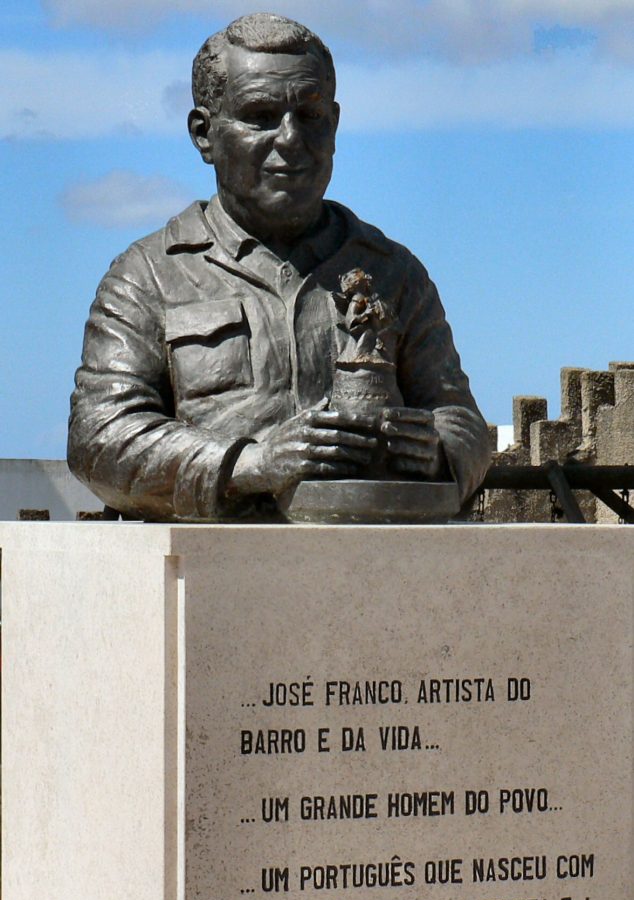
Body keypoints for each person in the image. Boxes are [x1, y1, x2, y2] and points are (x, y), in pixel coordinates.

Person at [68, 13, 491, 522]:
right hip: (215, 570)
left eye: (309, 117)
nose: (291, 139)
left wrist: (438, 448)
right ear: (205, 134)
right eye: (261, 116)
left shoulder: (394, 273)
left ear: (333, 126)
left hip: (375, 565)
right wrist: (251, 464)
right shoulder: (148, 277)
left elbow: (461, 419)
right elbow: (100, 438)